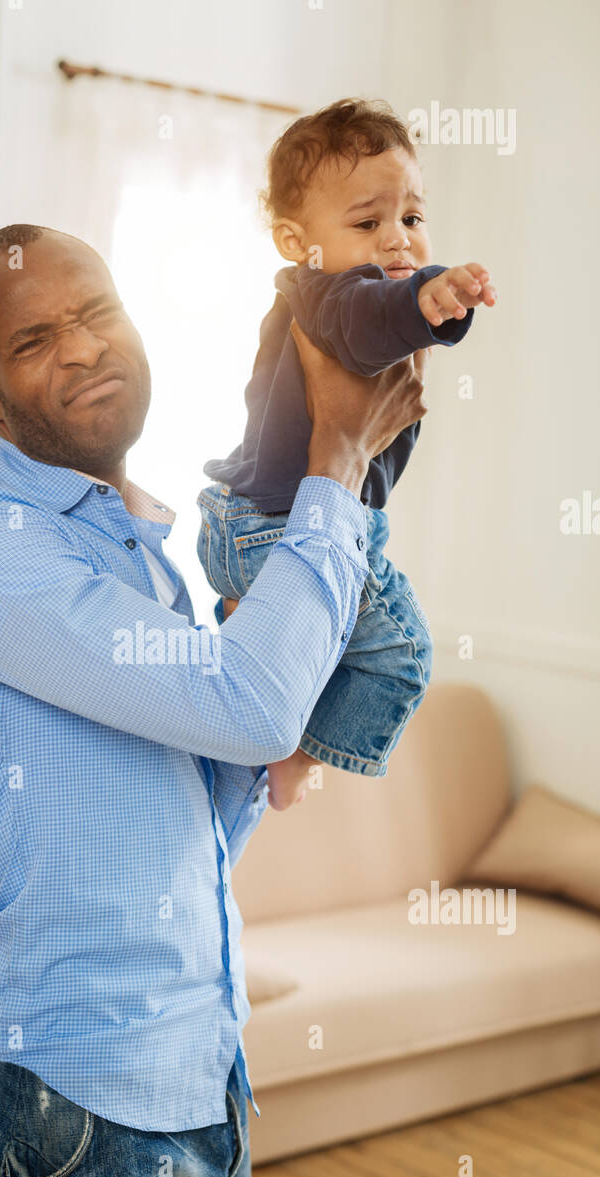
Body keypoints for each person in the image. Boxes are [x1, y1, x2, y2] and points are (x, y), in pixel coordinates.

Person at [0, 223, 427, 1177]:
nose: (84, 348)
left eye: (96, 312)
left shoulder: (142, 554)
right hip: (68, 1099)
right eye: (35, 339)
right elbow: (248, 696)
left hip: (198, 1072)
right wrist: (335, 458)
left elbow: (195, 815)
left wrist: (265, 759)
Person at [199, 99, 496, 809]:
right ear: (295, 241)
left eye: (413, 219)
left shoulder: (329, 295)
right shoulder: (325, 295)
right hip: (277, 528)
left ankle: (250, 621)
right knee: (402, 659)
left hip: (254, 524)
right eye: (368, 223)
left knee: (344, 639)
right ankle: (294, 757)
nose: (398, 240)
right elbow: (369, 325)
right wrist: (433, 295)